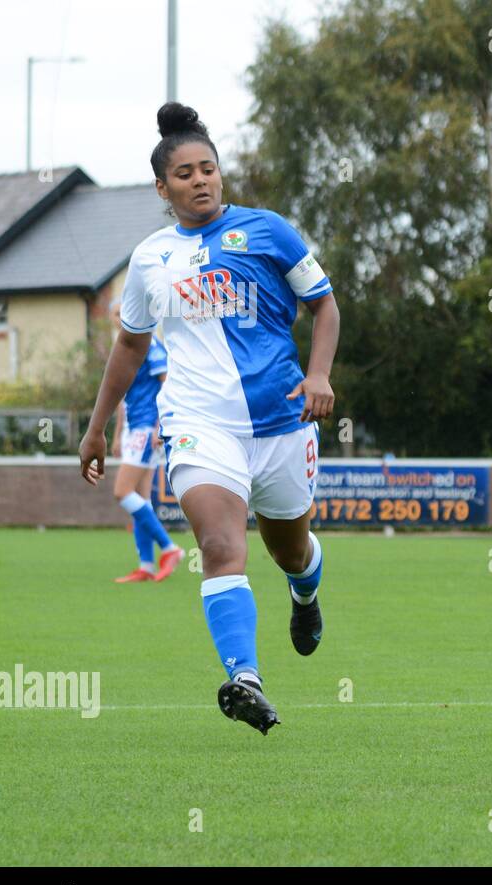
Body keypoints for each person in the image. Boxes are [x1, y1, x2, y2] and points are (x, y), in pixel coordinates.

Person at [79, 102, 340, 736]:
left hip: (281, 422)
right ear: (162, 187)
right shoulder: (148, 260)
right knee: (222, 547)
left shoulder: (269, 230)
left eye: (209, 169)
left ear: (221, 174)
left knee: (289, 550)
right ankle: (245, 678)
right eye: (186, 173)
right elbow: (131, 344)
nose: (200, 180)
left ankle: (305, 595)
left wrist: (319, 375)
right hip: (198, 422)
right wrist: (96, 425)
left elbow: (325, 306)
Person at [107, 303, 184, 582]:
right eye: (115, 314)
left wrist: (159, 426)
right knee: (140, 498)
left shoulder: (151, 345)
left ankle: (169, 547)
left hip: (146, 428)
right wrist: (117, 435)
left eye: (123, 312)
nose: (120, 319)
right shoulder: (124, 350)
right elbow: (119, 396)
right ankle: (146, 565)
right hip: (132, 429)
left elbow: (168, 385)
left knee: (121, 491)